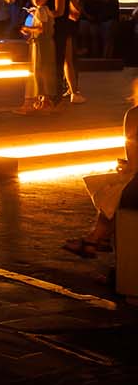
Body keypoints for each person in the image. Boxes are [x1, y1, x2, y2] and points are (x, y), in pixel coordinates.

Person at [63, 77, 138, 257]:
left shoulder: (135, 115)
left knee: (113, 191)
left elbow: (134, 165)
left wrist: (125, 166)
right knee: (118, 192)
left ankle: (96, 239)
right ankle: (97, 239)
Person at [22, 0, 58, 111]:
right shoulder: (47, 10)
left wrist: (27, 28)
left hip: (41, 43)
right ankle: (45, 99)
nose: (36, 0)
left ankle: (44, 99)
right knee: (46, 70)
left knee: (40, 71)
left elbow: (41, 28)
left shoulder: (40, 10)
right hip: (47, 43)